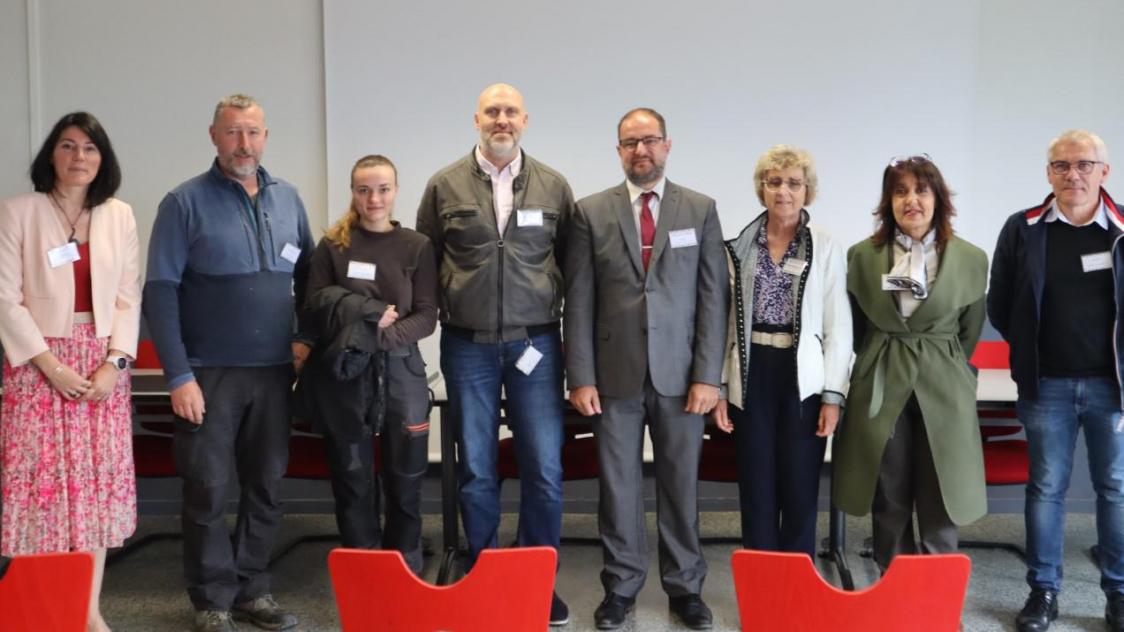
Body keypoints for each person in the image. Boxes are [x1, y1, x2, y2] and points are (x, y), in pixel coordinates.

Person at [143, 94, 313, 632]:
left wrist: (305, 338)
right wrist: (179, 375)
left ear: (266, 136)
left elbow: (310, 277)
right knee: (209, 486)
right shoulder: (183, 202)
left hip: (272, 372)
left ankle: (252, 589)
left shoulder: (288, 198)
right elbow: (160, 293)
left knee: (266, 483)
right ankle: (212, 598)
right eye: (234, 133)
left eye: (254, 132)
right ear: (214, 136)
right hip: (208, 373)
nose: (245, 144)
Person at [416, 82, 574, 625]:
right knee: (477, 468)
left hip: (536, 344)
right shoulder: (444, 185)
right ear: (476, 119)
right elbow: (424, 260)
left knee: (545, 468)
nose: (501, 120)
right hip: (467, 347)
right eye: (492, 112)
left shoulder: (553, 186)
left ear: (525, 120)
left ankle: (535, 577)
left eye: (510, 112)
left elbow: (573, 268)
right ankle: (483, 571)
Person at [564, 107, 728, 630]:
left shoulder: (700, 209)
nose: (641, 150)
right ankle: (621, 587)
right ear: (618, 151)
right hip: (613, 377)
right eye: (630, 142)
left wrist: (709, 375)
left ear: (668, 144)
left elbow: (713, 299)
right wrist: (580, 375)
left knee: (681, 484)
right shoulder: (591, 212)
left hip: (683, 378)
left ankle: (685, 589)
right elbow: (579, 298)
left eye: (650, 140)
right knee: (618, 488)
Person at [0, 111, 140, 632]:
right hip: (37, 365)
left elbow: (128, 297)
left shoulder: (119, 215)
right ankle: (42, 611)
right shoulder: (17, 212)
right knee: (41, 492)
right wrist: (51, 366)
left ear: (102, 159)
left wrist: (115, 364)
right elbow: (5, 300)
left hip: (102, 365)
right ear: (50, 156)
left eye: (90, 148)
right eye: (67, 146)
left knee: (95, 493)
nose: (78, 157)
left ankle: (87, 612)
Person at [988, 130, 1124, 632]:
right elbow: (998, 301)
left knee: (1116, 488)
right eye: (1062, 165)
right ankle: (1043, 591)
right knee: (1046, 488)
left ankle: (1119, 594)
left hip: (1114, 388)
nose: (1074, 174)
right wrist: (1028, 348)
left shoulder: (1123, 230)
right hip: (1048, 387)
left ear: (1104, 172)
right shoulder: (1022, 229)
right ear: (1048, 173)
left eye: (1085, 164)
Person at [833, 154, 988, 575]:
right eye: (900, 191)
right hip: (883, 377)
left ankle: (936, 598)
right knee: (890, 492)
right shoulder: (861, 256)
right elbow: (859, 326)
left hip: (944, 382)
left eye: (921, 189)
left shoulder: (971, 258)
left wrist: (938, 357)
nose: (911, 200)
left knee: (942, 490)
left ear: (938, 197)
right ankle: (893, 591)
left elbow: (969, 331)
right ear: (888, 202)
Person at [297, 154, 437, 574]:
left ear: (395, 191)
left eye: (382, 189)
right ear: (353, 193)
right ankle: (363, 569)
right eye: (364, 190)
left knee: (406, 479)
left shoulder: (417, 246)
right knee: (352, 478)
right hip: (345, 376)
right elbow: (314, 304)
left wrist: (377, 338)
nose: (373, 198)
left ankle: (405, 567)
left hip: (402, 375)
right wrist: (370, 310)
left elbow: (427, 315)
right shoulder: (333, 246)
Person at [713, 144, 851, 558]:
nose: (784, 192)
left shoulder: (824, 246)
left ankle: (796, 582)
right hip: (751, 373)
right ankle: (762, 582)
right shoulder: (738, 248)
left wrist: (832, 396)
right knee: (756, 485)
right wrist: (720, 388)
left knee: (799, 484)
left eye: (794, 183)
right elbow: (722, 325)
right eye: (774, 183)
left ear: (808, 190)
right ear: (762, 189)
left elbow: (837, 325)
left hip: (802, 379)